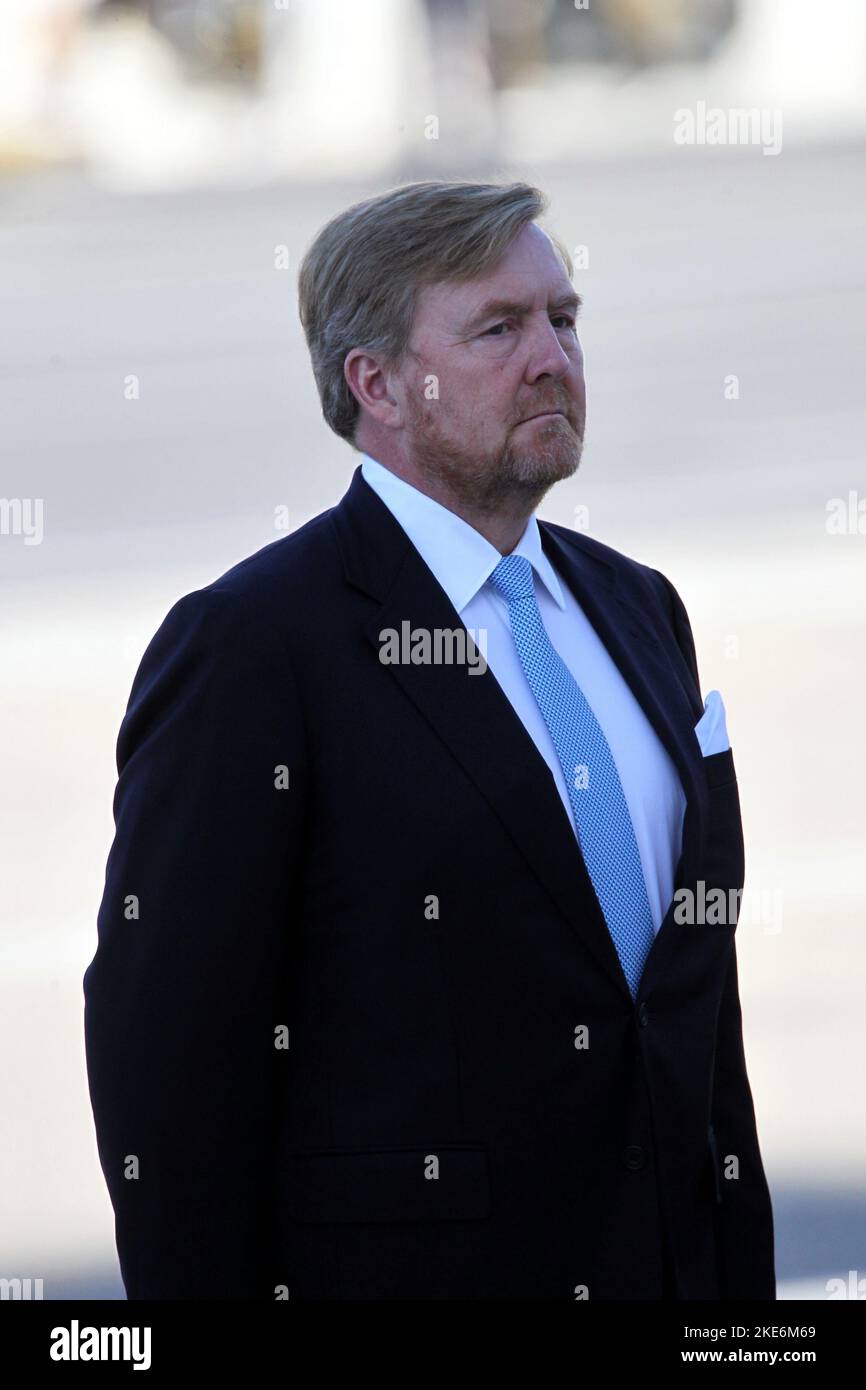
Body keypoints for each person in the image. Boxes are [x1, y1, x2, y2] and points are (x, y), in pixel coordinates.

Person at [83, 179, 775, 1300]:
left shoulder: (638, 607)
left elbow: (692, 1019)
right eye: (497, 328)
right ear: (378, 385)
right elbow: (168, 1062)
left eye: (563, 317)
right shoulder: (255, 645)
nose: (550, 356)